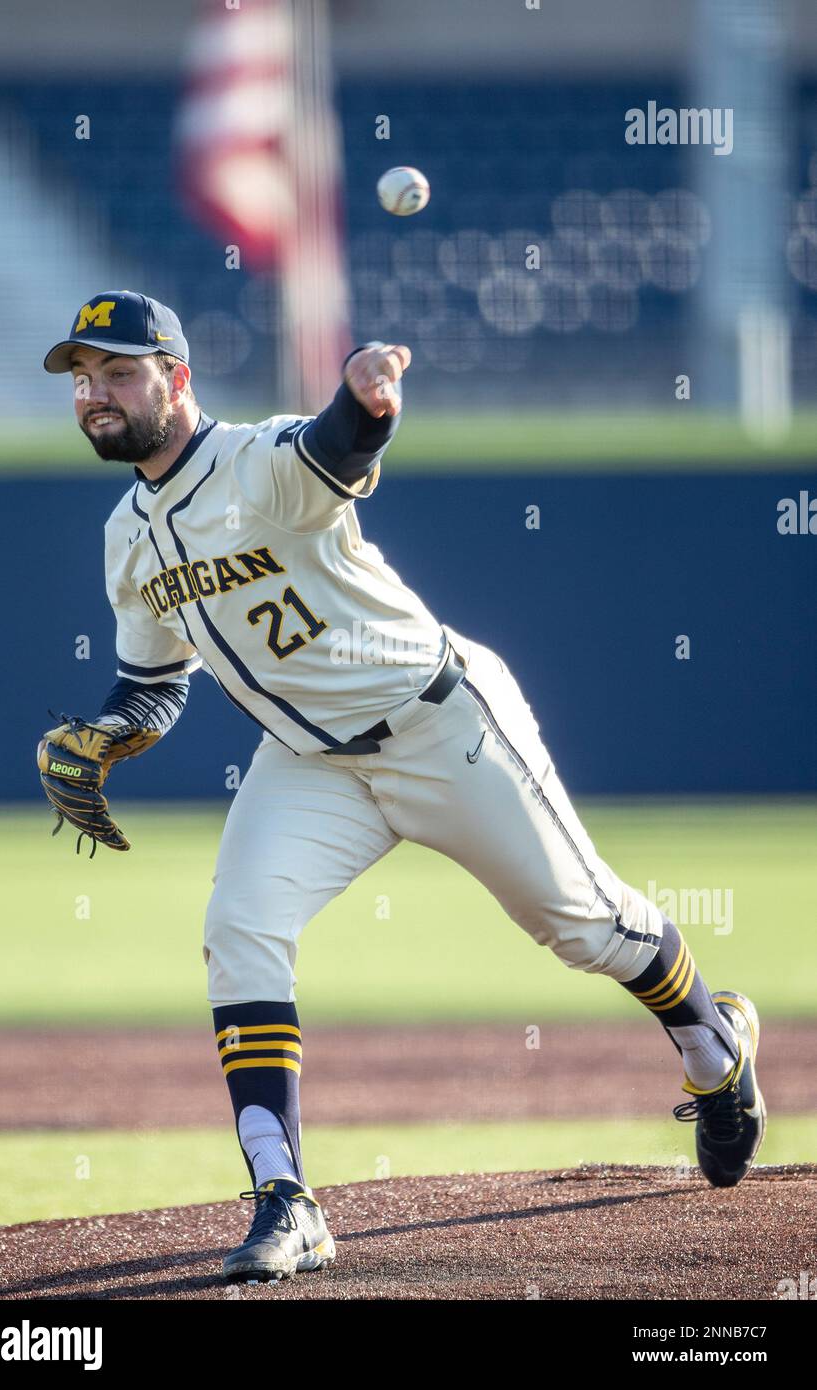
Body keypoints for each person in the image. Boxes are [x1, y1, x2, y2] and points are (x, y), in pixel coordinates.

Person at [38, 291, 765, 1285]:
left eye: (118, 371)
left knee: (585, 927)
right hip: (308, 762)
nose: (96, 394)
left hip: (438, 723)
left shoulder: (251, 462)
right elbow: (155, 683)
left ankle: (711, 1046)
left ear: (177, 377)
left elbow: (330, 452)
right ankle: (285, 1199)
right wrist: (108, 734)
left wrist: (365, 403)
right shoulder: (126, 533)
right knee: (241, 927)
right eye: (83, 377)